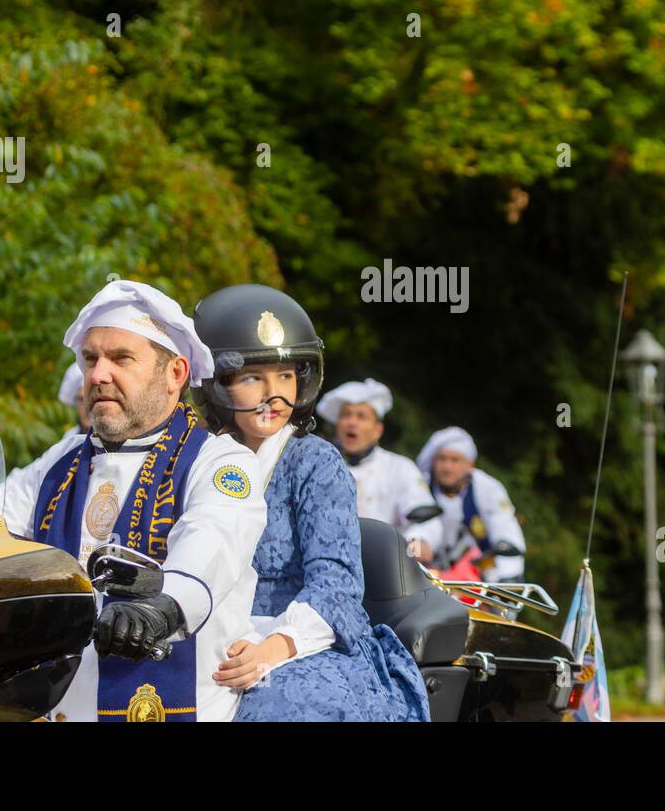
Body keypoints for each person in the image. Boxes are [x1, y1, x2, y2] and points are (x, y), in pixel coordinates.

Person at [0, 280, 266, 721]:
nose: (97, 375)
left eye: (121, 358)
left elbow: (213, 542)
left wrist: (162, 608)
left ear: (175, 374)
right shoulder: (57, 463)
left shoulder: (220, 463)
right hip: (46, 706)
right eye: (91, 358)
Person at [192, 283, 429, 721]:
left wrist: (272, 649)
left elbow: (336, 582)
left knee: (276, 710)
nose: (273, 395)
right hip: (208, 637)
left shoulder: (316, 461)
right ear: (216, 385)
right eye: (251, 377)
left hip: (304, 642)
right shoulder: (193, 457)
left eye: (285, 376)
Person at [316, 377, 441, 561]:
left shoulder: (399, 468)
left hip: (385, 566)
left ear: (378, 430)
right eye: (346, 415)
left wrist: (414, 547)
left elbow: (427, 522)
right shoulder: (318, 464)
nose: (352, 422)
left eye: (361, 416)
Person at [416, 426, 524, 583]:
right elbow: (411, 528)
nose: (447, 467)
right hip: (427, 573)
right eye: (442, 459)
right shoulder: (420, 486)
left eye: (455, 460)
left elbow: (505, 531)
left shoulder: (488, 489)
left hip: (477, 576)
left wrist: (508, 577)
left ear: (470, 464)